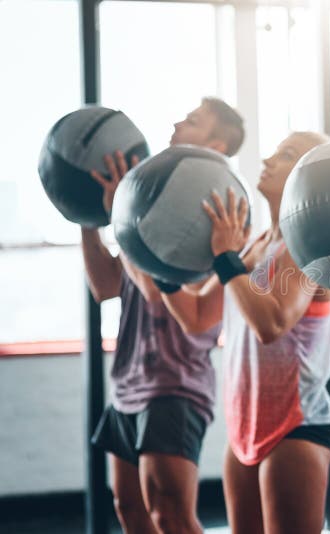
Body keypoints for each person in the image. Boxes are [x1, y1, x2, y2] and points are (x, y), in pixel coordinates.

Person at [156, 131, 330, 534]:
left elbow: (271, 324)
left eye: (286, 155)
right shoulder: (253, 247)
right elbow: (197, 315)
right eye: (275, 149)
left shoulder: (305, 246)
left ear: (309, 176)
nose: (270, 159)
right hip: (243, 428)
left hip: (296, 427)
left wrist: (224, 258)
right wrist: (159, 262)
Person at [81, 97, 245, 534]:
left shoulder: (220, 213)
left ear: (217, 144)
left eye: (192, 121)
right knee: (130, 510)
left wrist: (122, 217)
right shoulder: (148, 204)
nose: (176, 122)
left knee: (169, 513)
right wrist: (90, 216)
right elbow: (105, 286)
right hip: (128, 383)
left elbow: (157, 291)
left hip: (174, 385)